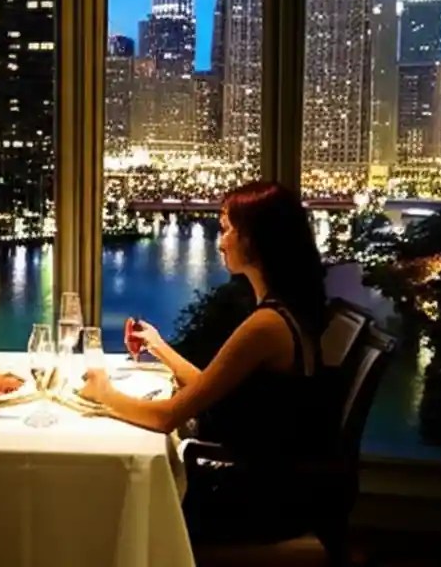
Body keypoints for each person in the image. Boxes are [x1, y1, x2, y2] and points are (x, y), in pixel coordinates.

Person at [80, 180, 338, 544]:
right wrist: (158, 346)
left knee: (110, 505)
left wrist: (104, 392)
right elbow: (211, 387)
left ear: (256, 238)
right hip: (275, 484)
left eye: (227, 229)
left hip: (259, 500)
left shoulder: (265, 326)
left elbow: (166, 416)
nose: (220, 241)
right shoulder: (285, 312)